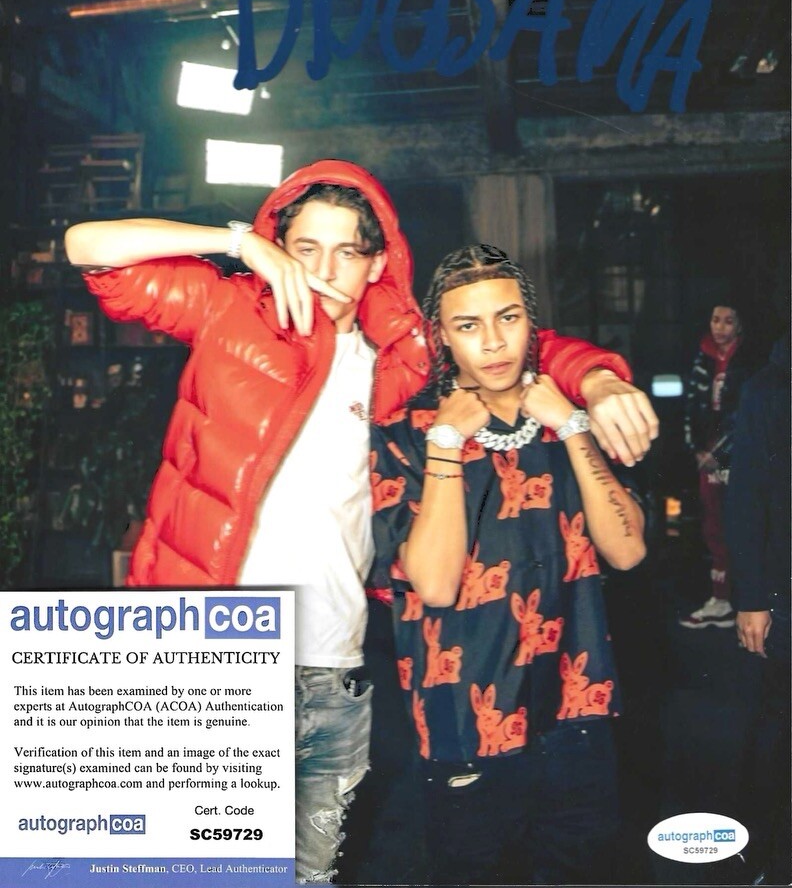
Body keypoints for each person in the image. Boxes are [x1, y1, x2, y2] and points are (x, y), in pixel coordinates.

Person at [64, 161, 658, 883]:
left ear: (376, 262)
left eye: (347, 251)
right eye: (304, 248)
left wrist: (598, 378)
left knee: (308, 873)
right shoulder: (226, 310)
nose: (323, 271)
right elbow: (88, 246)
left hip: (330, 664)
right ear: (279, 247)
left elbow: (504, 341)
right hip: (201, 646)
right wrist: (238, 243)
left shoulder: (397, 359)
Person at [371, 244, 646, 885]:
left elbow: (628, 550)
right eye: (468, 325)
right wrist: (446, 442)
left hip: (578, 712)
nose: (494, 342)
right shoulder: (404, 434)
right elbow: (435, 585)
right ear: (442, 336)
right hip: (466, 726)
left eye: (509, 318)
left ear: (532, 323)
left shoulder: (567, 420)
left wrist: (573, 426)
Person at [725, 334, 790, 885]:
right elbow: (745, 497)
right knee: (778, 728)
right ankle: (759, 857)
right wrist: (750, 599)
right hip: (785, 592)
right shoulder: (768, 389)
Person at [679, 301, 755, 629]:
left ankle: (749, 602)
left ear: (739, 326)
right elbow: (691, 407)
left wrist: (722, 456)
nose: (719, 327)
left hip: (739, 456)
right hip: (708, 456)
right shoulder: (702, 357)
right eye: (715, 320)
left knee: (745, 524)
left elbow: (748, 416)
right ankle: (720, 600)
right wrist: (698, 451)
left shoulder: (750, 361)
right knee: (713, 525)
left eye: (727, 321)